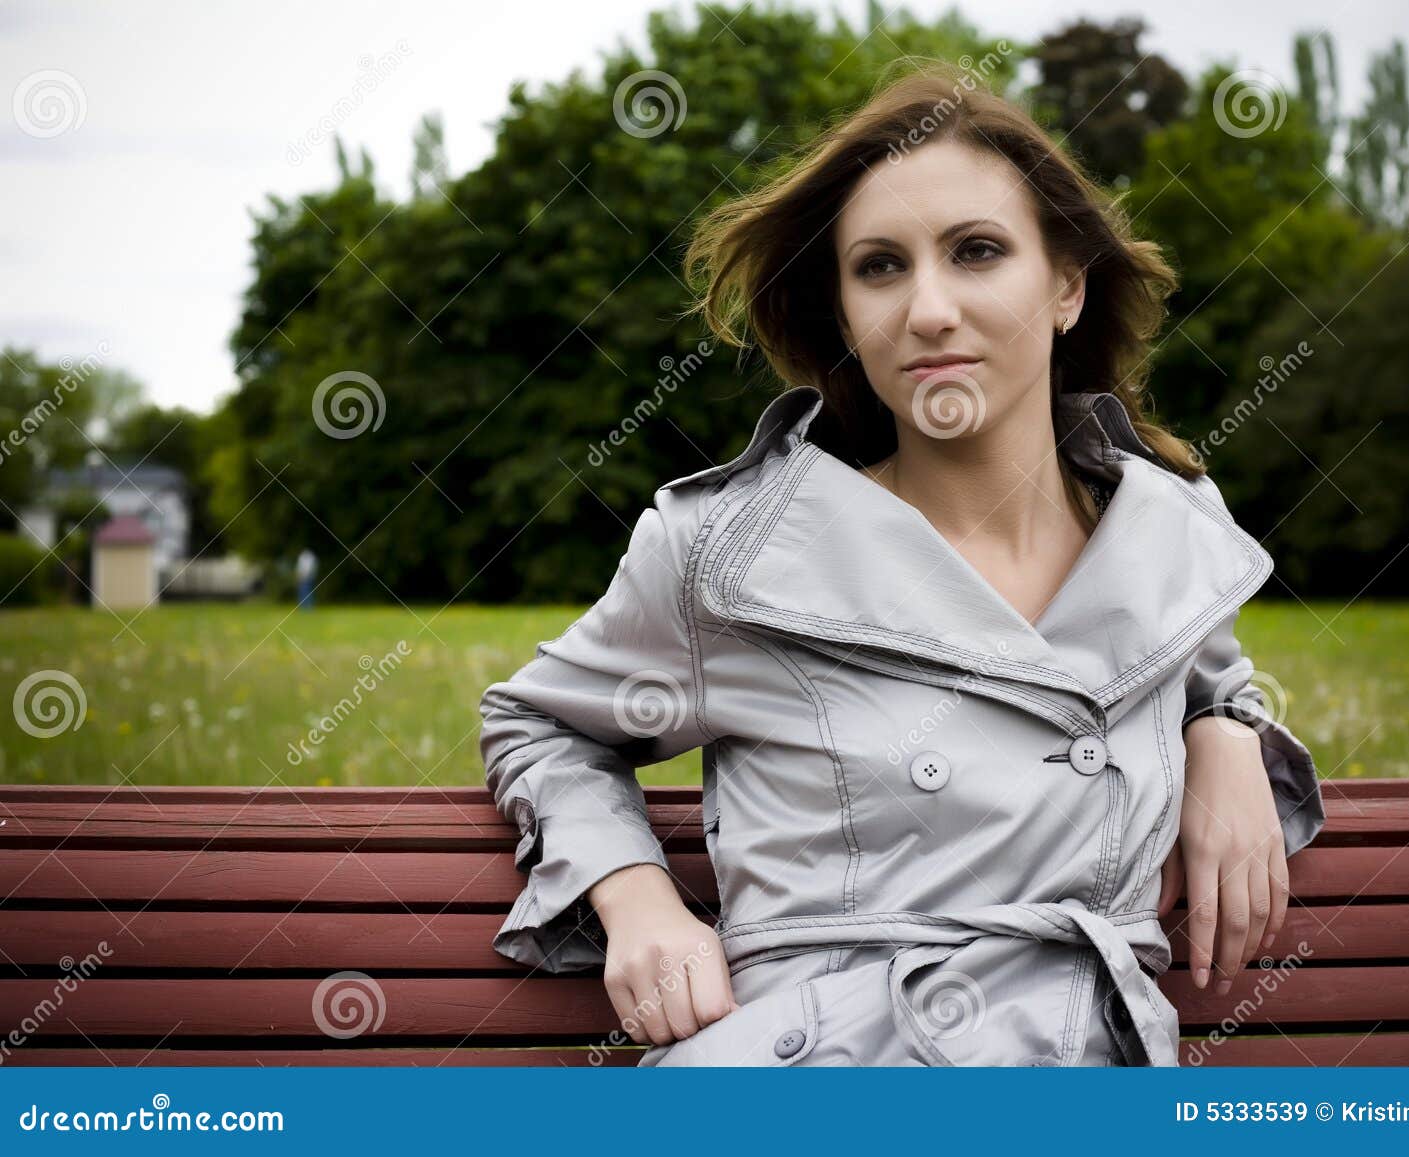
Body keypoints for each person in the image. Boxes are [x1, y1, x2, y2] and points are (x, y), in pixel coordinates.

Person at [479, 65, 1326, 1066]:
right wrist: (633, 895)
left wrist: (1225, 730)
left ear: (1064, 285)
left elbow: (1197, 676)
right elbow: (540, 722)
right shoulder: (734, 551)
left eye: (976, 252)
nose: (927, 310)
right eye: (880, 266)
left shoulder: (1165, 536)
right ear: (843, 313)